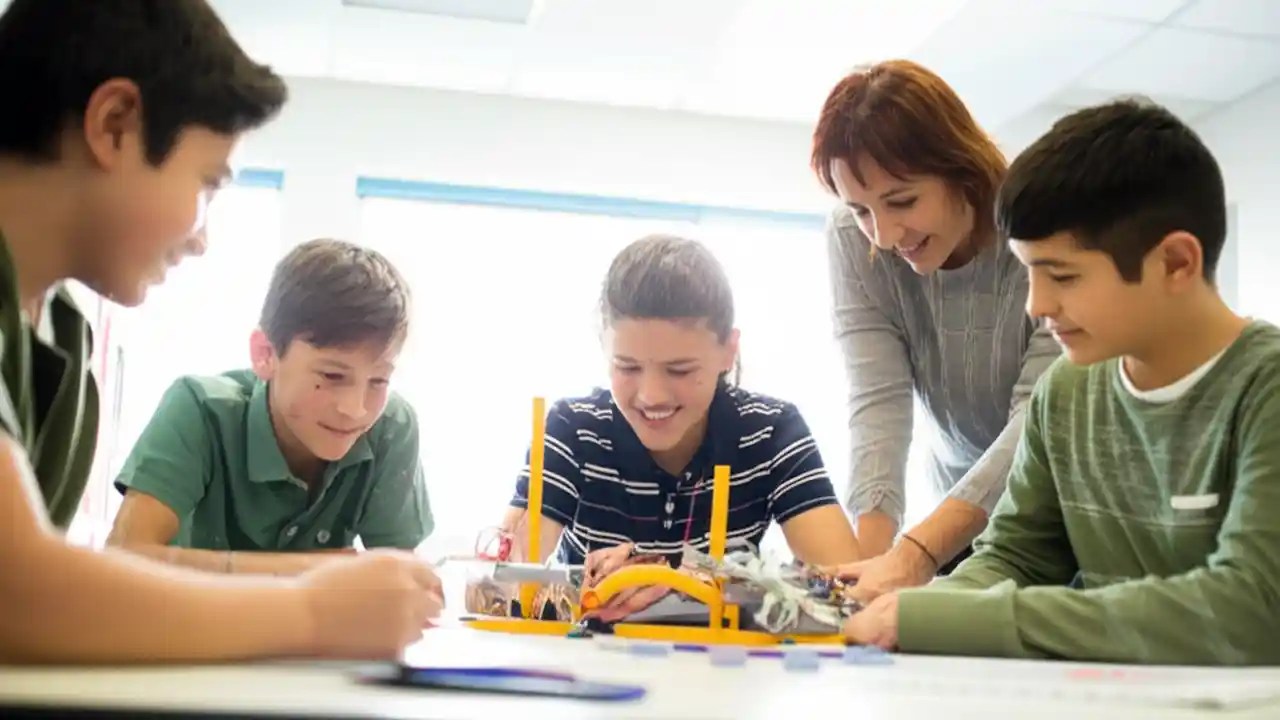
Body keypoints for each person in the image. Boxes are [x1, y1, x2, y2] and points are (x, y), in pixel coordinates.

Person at [0, 0, 440, 663]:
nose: (201, 238)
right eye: (207, 183)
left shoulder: (58, 334)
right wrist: (313, 607)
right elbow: (18, 591)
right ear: (114, 126)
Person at [843, 97, 1280, 665]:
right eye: (1029, 272)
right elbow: (1014, 560)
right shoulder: (1066, 393)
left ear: (1176, 263)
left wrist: (948, 615)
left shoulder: (1263, 391)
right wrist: (904, 621)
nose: (1036, 304)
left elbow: (1250, 611)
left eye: (1063, 276)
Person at [490, 234, 859, 618]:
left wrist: (702, 580)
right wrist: (583, 581)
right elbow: (506, 582)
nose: (651, 396)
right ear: (604, 346)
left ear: (728, 352)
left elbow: (847, 588)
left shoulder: (769, 432)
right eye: (627, 367)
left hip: (721, 672)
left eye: (680, 370)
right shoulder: (573, 429)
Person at [809, 59, 1058, 600]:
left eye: (902, 201)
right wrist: (870, 565)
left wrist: (916, 552)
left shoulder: (1041, 225)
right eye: (861, 210)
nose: (885, 232)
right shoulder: (854, 241)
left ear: (961, 169)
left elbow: (1035, 419)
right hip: (951, 518)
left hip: (1051, 511)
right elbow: (879, 400)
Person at [107, 239, 433, 574]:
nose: (356, 409)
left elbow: (402, 579)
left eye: (379, 381)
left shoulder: (392, 426)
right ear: (265, 354)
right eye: (333, 375)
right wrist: (319, 569)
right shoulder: (199, 409)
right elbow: (124, 560)